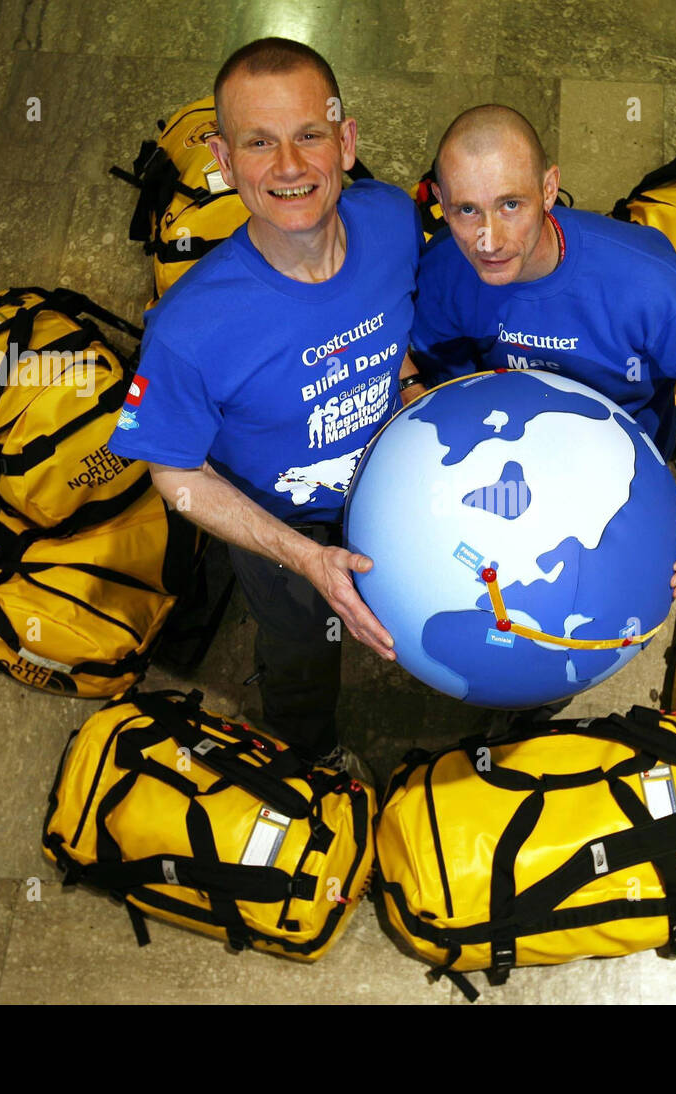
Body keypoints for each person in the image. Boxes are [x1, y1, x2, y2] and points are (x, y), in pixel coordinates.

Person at [108, 38, 424, 780]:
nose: (289, 166)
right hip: (284, 529)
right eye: (258, 142)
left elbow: (402, 322)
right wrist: (304, 558)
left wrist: (411, 388)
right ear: (223, 159)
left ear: (346, 142)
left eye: (309, 134)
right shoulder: (187, 329)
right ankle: (307, 749)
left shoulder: (392, 222)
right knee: (303, 649)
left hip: (396, 478)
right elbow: (175, 477)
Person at [407, 105, 676, 599]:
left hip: (628, 459)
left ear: (549, 189)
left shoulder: (651, 285)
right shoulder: (445, 271)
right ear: (440, 202)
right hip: (510, 448)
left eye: (511, 204)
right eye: (467, 210)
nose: (489, 239)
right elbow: (440, 363)